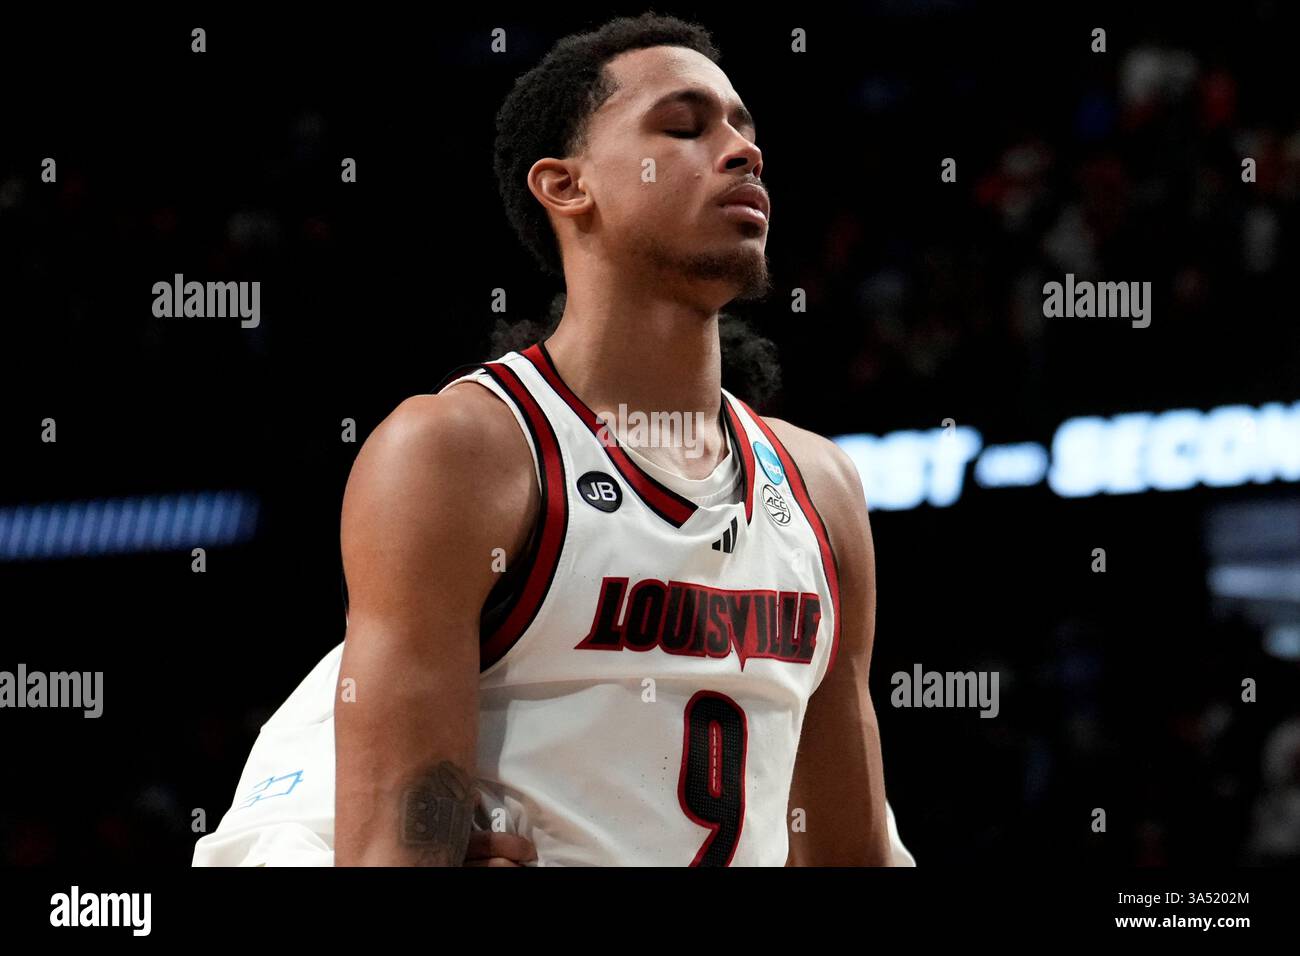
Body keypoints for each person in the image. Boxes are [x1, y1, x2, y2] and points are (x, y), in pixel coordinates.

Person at [193, 12, 914, 867]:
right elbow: (397, 829)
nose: (741, 150)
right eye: (684, 127)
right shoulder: (462, 452)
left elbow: (848, 850)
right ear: (566, 186)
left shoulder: (820, 485)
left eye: (743, 128)